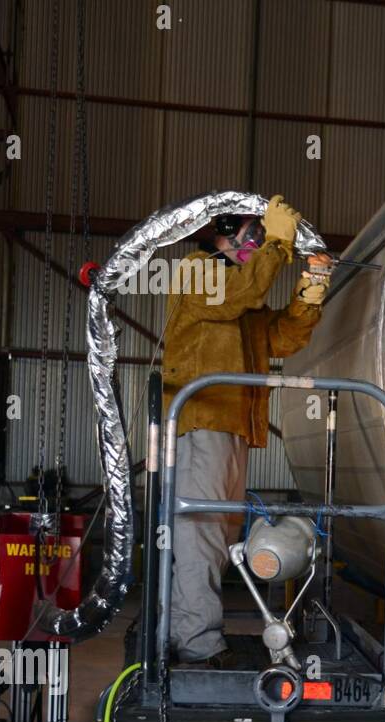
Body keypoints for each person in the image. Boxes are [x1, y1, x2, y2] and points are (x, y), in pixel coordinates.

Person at [162, 195, 331, 666]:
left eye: (263, 235)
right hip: (203, 422)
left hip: (233, 426)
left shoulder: (240, 305)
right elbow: (241, 294)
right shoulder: (197, 273)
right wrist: (278, 245)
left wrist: (311, 289)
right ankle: (197, 643)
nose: (257, 244)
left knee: (215, 538)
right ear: (221, 230)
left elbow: (285, 336)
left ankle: (187, 631)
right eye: (253, 234)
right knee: (200, 537)